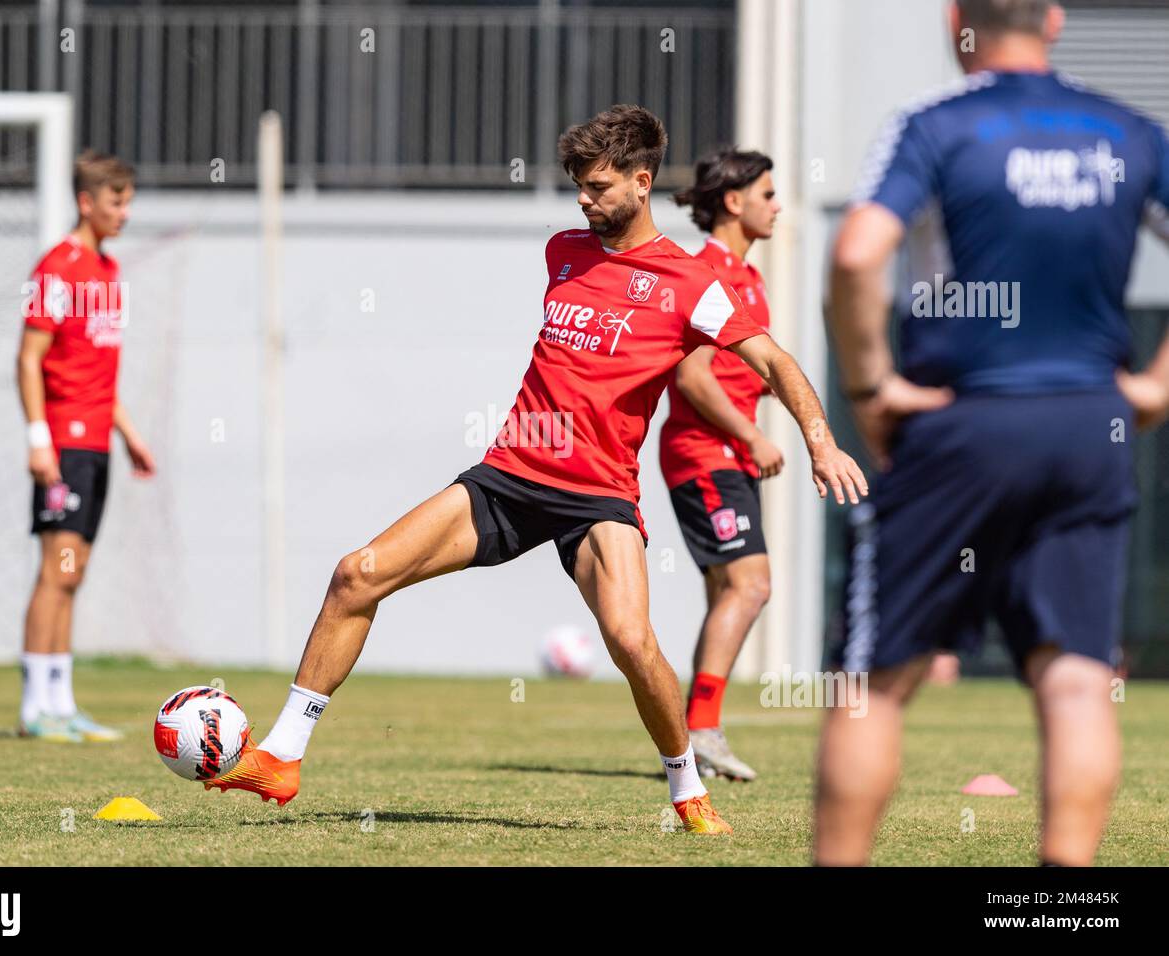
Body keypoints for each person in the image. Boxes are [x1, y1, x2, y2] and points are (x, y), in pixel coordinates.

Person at [208, 105, 866, 834]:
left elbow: (772, 359)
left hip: (598, 499)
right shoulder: (564, 251)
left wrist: (820, 440)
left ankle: (687, 786)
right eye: (578, 186)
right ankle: (281, 755)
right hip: (508, 479)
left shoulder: (688, 283)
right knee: (356, 573)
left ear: (642, 183)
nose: (584, 200)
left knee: (630, 639)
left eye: (598, 186)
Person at [819, 0, 1169, 865]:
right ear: (1053, 21)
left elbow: (859, 253)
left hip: (963, 421)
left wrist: (870, 387)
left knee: (874, 683)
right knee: (1078, 679)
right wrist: (1156, 386)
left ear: (956, 23)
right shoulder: (1126, 130)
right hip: (1092, 425)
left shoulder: (936, 126)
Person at [16, 150, 156, 742]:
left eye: (128, 201)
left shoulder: (107, 270)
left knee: (76, 572)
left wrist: (128, 435)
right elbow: (28, 358)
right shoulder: (58, 267)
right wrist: (38, 439)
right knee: (56, 569)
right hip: (64, 441)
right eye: (115, 201)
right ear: (86, 202)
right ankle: (33, 709)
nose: (124, 212)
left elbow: (101, 374)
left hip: (97, 441)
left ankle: (63, 702)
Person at [662, 148, 783, 781]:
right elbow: (692, 377)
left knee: (727, 594)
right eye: (767, 193)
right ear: (734, 202)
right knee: (752, 585)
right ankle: (702, 732)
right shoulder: (706, 272)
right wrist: (752, 435)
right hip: (704, 452)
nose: (777, 204)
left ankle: (688, 740)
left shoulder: (749, 277)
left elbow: (735, 372)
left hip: (725, 454)